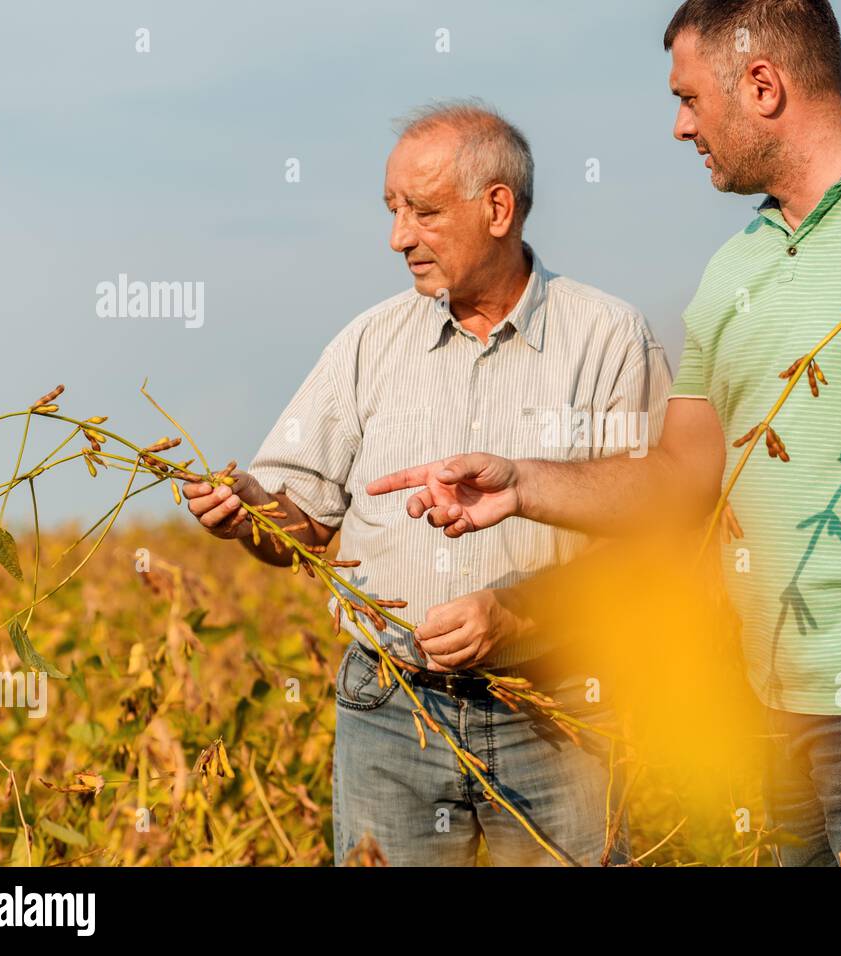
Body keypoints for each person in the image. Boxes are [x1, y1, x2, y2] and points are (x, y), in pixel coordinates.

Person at [366, 1, 841, 866]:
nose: (679, 126)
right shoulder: (737, 270)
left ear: (762, 84)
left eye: (688, 98)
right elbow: (681, 478)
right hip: (772, 709)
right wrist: (523, 484)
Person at [182, 101, 671, 866]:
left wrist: (521, 617)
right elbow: (303, 524)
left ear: (498, 208)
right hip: (389, 706)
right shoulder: (368, 342)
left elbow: (657, 530)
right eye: (392, 209)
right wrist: (251, 512)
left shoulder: (610, 340)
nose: (398, 236)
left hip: (558, 705)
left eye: (424, 211)